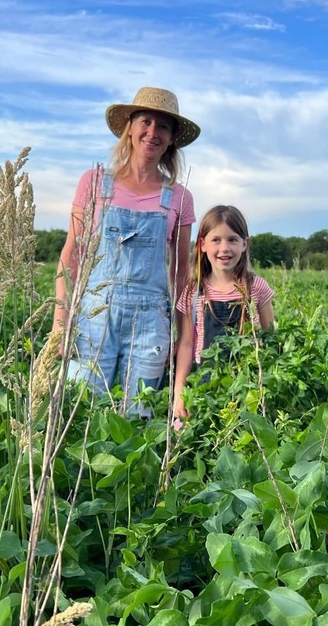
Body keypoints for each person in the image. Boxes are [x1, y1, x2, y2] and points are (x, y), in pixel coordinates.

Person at [52, 86, 200, 417]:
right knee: (81, 413)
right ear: (129, 127)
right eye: (146, 121)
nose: (153, 132)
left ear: (172, 138)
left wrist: (184, 336)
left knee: (139, 416)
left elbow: (181, 273)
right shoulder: (94, 182)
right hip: (93, 315)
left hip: (151, 322)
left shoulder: (178, 197)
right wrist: (61, 321)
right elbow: (71, 254)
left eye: (163, 126)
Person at [171, 204, 276, 429]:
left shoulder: (256, 287)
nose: (224, 248)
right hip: (202, 384)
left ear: (244, 244)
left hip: (246, 383)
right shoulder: (194, 290)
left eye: (232, 239)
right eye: (216, 240)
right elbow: (186, 344)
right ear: (202, 245)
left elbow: (271, 339)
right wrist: (179, 392)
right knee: (185, 434)